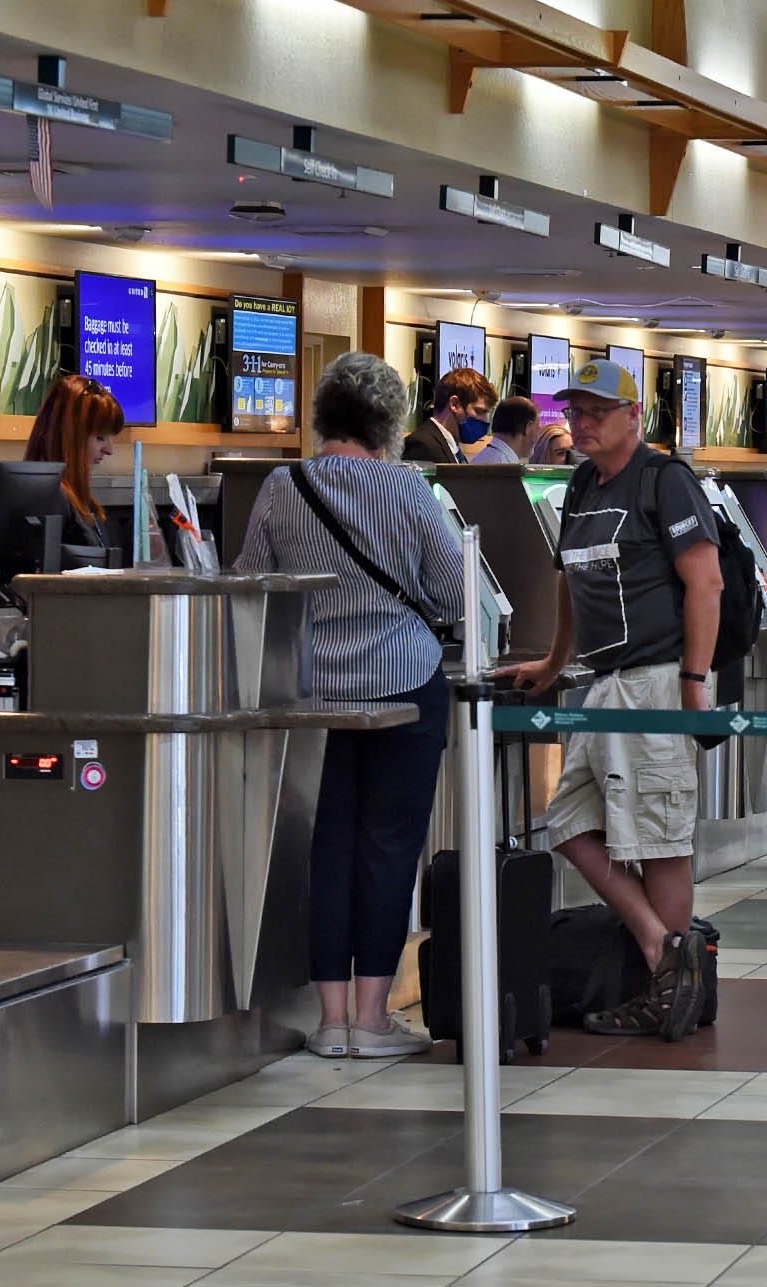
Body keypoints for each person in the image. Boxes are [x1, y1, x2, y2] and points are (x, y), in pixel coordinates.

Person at [235, 352, 466, 1059]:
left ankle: (330, 1018)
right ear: (390, 423)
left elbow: (251, 584)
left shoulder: (283, 484)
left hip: (312, 694)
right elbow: (456, 595)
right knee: (388, 848)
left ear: (322, 415)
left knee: (325, 848)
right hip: (403, 686)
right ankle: (374, 1014)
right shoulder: (408, 489)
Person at [501, 359, 724, 1040]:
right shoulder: (579, 485)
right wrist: (554, 660)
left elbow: (705, 583)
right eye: (575, 411)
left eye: (597, 410)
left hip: (656, 680)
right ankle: (664, 948)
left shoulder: (666, 480)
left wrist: (692, 681)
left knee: (658, 840)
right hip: (603, 684)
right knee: (569, 820)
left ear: (634, 415)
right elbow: (570, 581)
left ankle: (668, 987)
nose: (583, 422)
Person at [22, 373, 125, 554]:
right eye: (100, 437)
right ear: (70, 436)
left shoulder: (80, 501)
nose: (109, 449)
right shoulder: (53, 498)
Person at [402, 367, 495, 464]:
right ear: (454, 404)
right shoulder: (421, 445)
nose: (485, 420)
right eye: (479, 411)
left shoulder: (455, 448)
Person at [470, 396, 544, 464]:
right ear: (528, 428)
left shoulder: (485, 458)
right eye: (537, 427)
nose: (538, 436)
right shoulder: (504, 468)